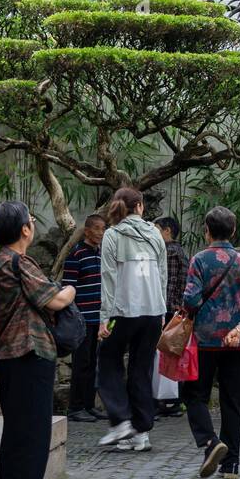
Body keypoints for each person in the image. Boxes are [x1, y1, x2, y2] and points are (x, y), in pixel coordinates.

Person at [0, 202, 76, 479]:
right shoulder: (17, 261)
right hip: (27, 353)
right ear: (25, 229)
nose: (34, 223)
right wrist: (71, 289)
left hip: (17, 354)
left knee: (31, 431)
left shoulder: (1, 261)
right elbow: (54, 300)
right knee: (26, 433)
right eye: (31, 220)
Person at [180, 206, 240, 479]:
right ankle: (231, 465)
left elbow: (190, 300)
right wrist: (239, 329)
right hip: (236, 343)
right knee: (233, 400)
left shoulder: (199, 261)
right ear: (234, 231)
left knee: (193, 395)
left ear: (206, 231)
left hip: (204, 341)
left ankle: (209, 442)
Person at [96, 187, 167, 452]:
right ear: (139, 206)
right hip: (151, 312)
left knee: (107, 361)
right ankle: (141, 433)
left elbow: (108, 279)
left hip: (122, 312)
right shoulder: (156, 234)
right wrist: (161, 312)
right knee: (142, 369)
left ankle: (121, 421)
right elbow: (162, 276)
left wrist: (104, 318)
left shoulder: (112, 235)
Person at [63, 213, 105, 422]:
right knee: (81, 363)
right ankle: (75, 407)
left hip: (98, 319)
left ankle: (89, 405)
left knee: (93, 363)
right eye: (96, 228)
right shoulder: (76, 254)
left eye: (102, 228)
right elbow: (68, 287)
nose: (100, 232)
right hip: (81, 320)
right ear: (87, 230)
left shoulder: (102, 254)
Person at [155, 215, 189, 416]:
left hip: (166, 309)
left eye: (158, 229)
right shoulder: (181, 251)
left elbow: (166, 284)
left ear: (167, 231)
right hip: (177, 311)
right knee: (174, 354)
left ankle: (163, 400)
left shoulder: (168, 252)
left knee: (163, 355)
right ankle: (174, 401)